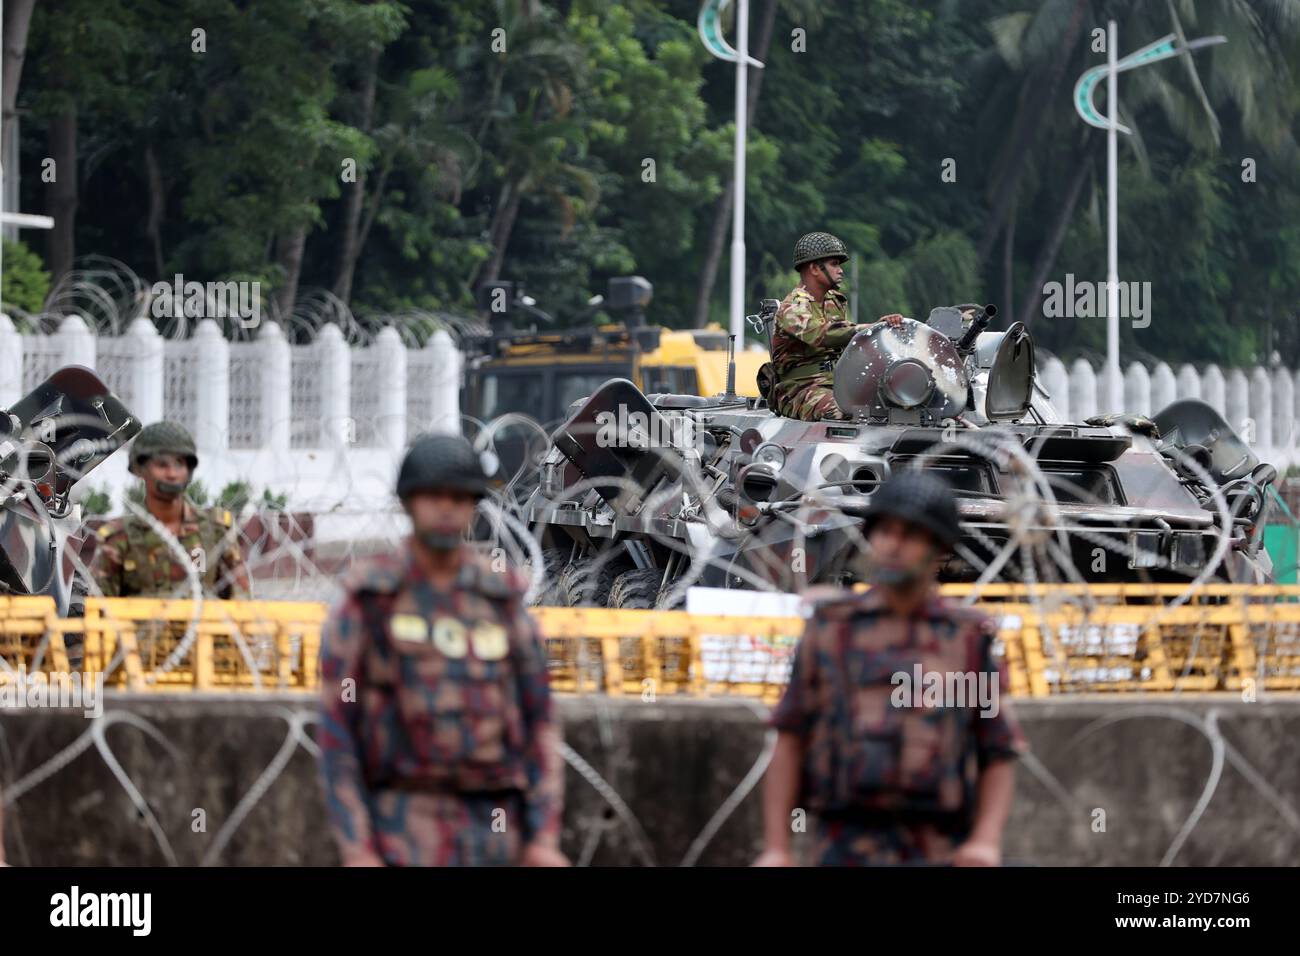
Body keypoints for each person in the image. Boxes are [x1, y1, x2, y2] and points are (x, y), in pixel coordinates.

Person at [317, 432, 568, 867]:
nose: (447, 509)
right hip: (401, 826)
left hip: (493, 830)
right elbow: (337, 731)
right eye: (434, 496)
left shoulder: (500, 601)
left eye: (459, 497)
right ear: (408, 502)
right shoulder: (371, 600)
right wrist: (358, 849)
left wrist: (542, 838)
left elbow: (540, 721)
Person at [754, 471, 1026, 866]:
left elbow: (997, 749)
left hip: (939, 846)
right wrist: (777, 849)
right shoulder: (832, 630)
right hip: (844, 844)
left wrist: (985, 841)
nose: (893, 545)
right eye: (885, 532)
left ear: (939, 548)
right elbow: (790, 739)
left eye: (910, 535)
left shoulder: (965, 640)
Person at [87, 421, 250, 599]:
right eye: (162, 465)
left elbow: (242, 601)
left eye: (179, 464)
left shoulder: (216, 529)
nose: (172, 474)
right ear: (140, 469)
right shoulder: (118, 538)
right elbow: (99, 607)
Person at [771, 232, 903, 421]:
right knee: (845, 411)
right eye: (834, 264)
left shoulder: (833, 301)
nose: (840, 270)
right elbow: (821, 335)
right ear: (814, 268)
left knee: (895, 402)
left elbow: (845, 332)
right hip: (800, 390)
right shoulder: (793, 307)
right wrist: (869, 329)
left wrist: (881, 328)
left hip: (839, 383)